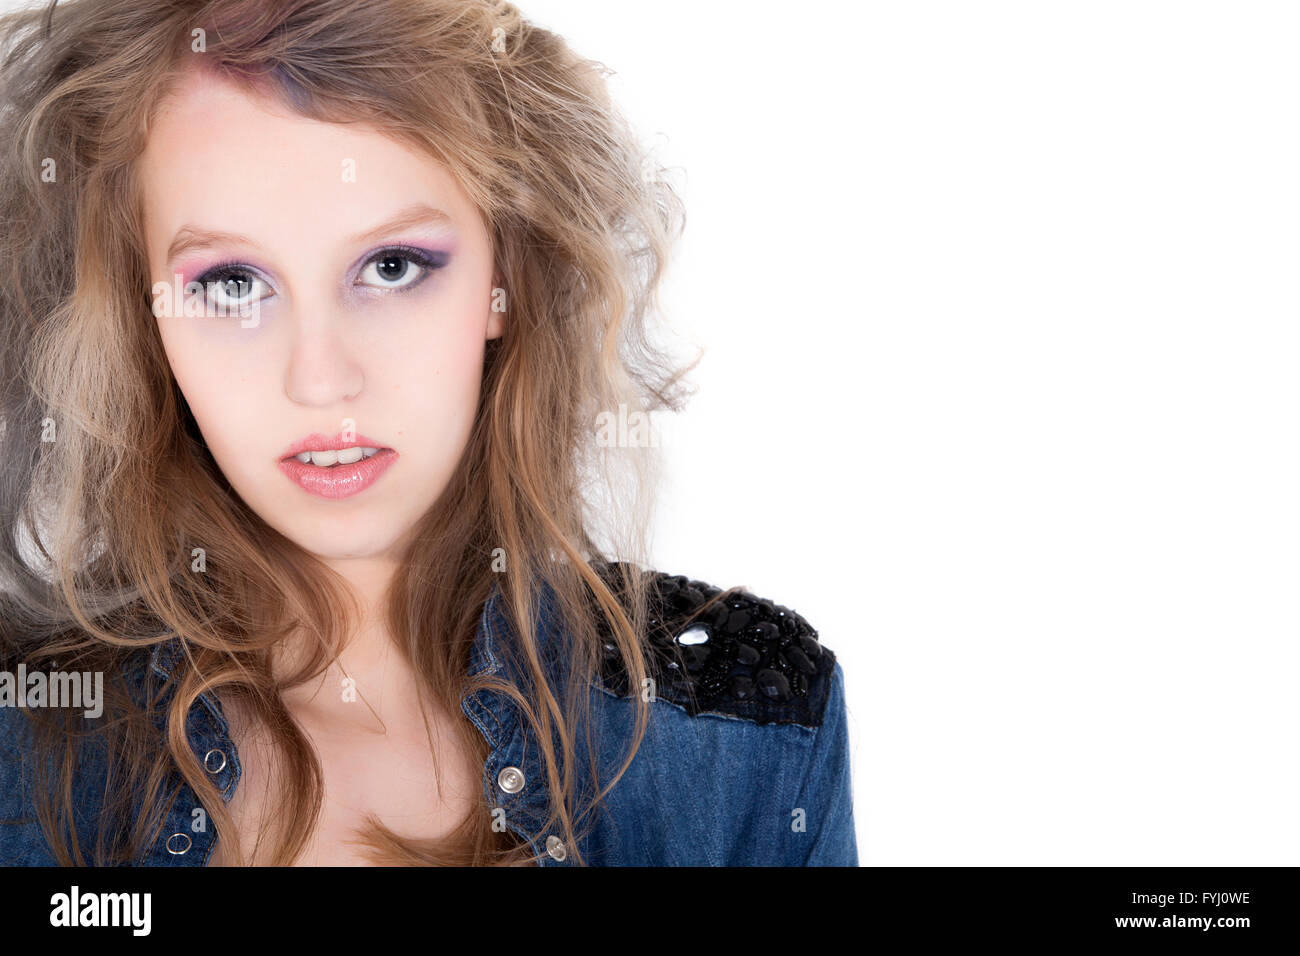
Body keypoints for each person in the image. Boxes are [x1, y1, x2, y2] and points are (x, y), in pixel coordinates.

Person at [0, 0, 856, 866]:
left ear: (506, 273)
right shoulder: (18, 738)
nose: (321, 378)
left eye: (392, 266)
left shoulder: (743, 734)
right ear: (142, 314)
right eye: (231, 284)